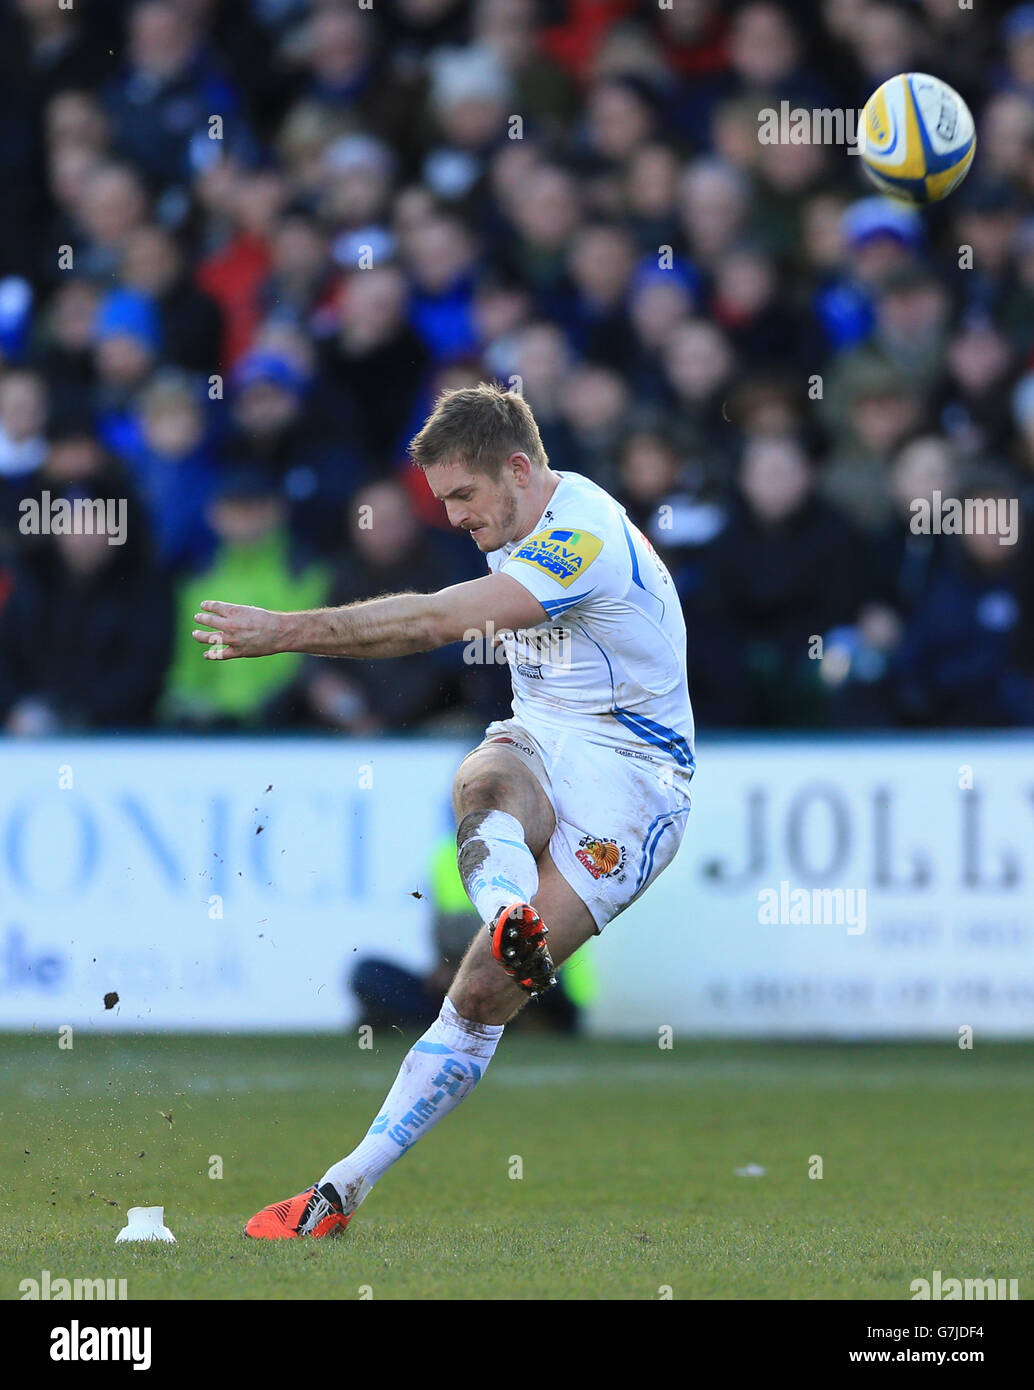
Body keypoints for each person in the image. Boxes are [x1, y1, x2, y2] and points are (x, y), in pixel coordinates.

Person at [189, 381, 695, 1239]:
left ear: (520, 468)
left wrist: (286, 629)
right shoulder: (516, 519)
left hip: (637, 784)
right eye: (443, 500)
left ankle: (357, 1169)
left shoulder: (583, 536)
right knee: (481, 781)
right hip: (545, 735)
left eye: (463, 495)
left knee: (479, 1001)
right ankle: (336, 1194)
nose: (455, 517)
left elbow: (435, 621)